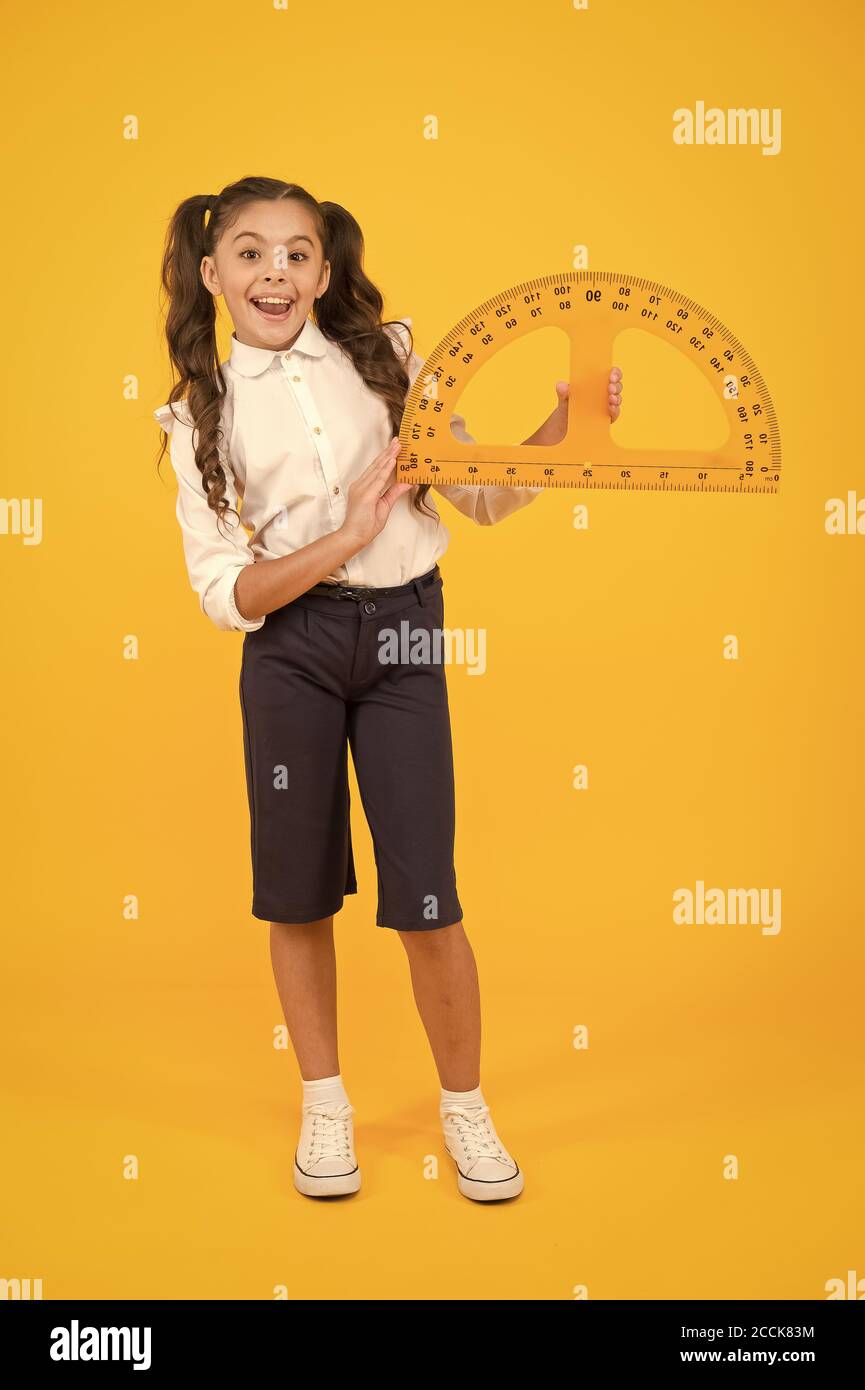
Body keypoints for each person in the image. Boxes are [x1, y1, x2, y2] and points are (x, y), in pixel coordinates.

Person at [154, 175, 623, 1203]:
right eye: (249, 252)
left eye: (295, 253)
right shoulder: (197, 417)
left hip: (406, 629)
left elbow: (483, 497)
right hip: (291, 647)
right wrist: (346, 536)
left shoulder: (388, 360)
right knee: (297, 890)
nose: (273, 271)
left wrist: (560, 429)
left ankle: (466, 1108)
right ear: (211, 273)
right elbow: (226, 592)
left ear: (324, 270)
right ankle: (326, 1108)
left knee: (426, 892)